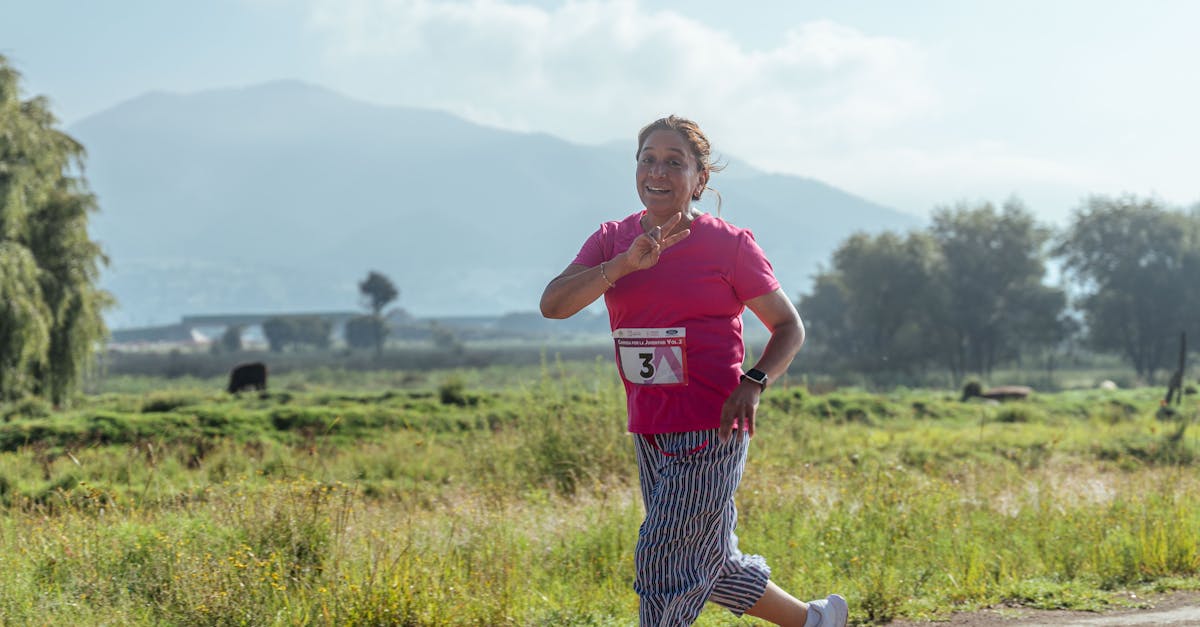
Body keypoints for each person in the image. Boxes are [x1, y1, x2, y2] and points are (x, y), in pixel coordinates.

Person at [540, 115, 848, 627]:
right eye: (647, 159)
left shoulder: (729, 246)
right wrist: (621, 267)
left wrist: (754, 383)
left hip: (714, 424)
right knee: (710, 560)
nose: (657, 172)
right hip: (650, 428)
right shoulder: (610, 240)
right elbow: (554, 305)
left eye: (674, 162)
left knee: (664, 555)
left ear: (699, 179)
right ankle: (816, 621)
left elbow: (788, 328)